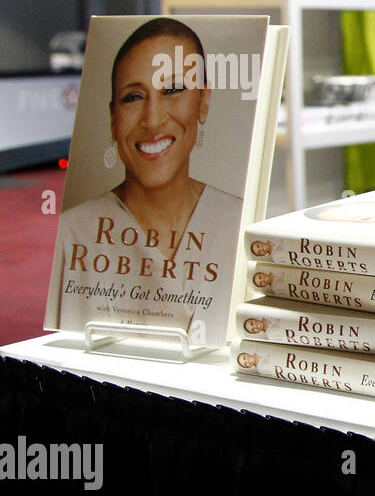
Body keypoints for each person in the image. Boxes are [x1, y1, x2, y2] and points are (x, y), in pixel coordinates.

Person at [51, 18, 242, 336]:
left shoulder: (238, 221)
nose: (153, 120)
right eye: (133, 97)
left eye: (174, 90)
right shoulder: (75, 233)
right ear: (113, 118)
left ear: (203, 102)